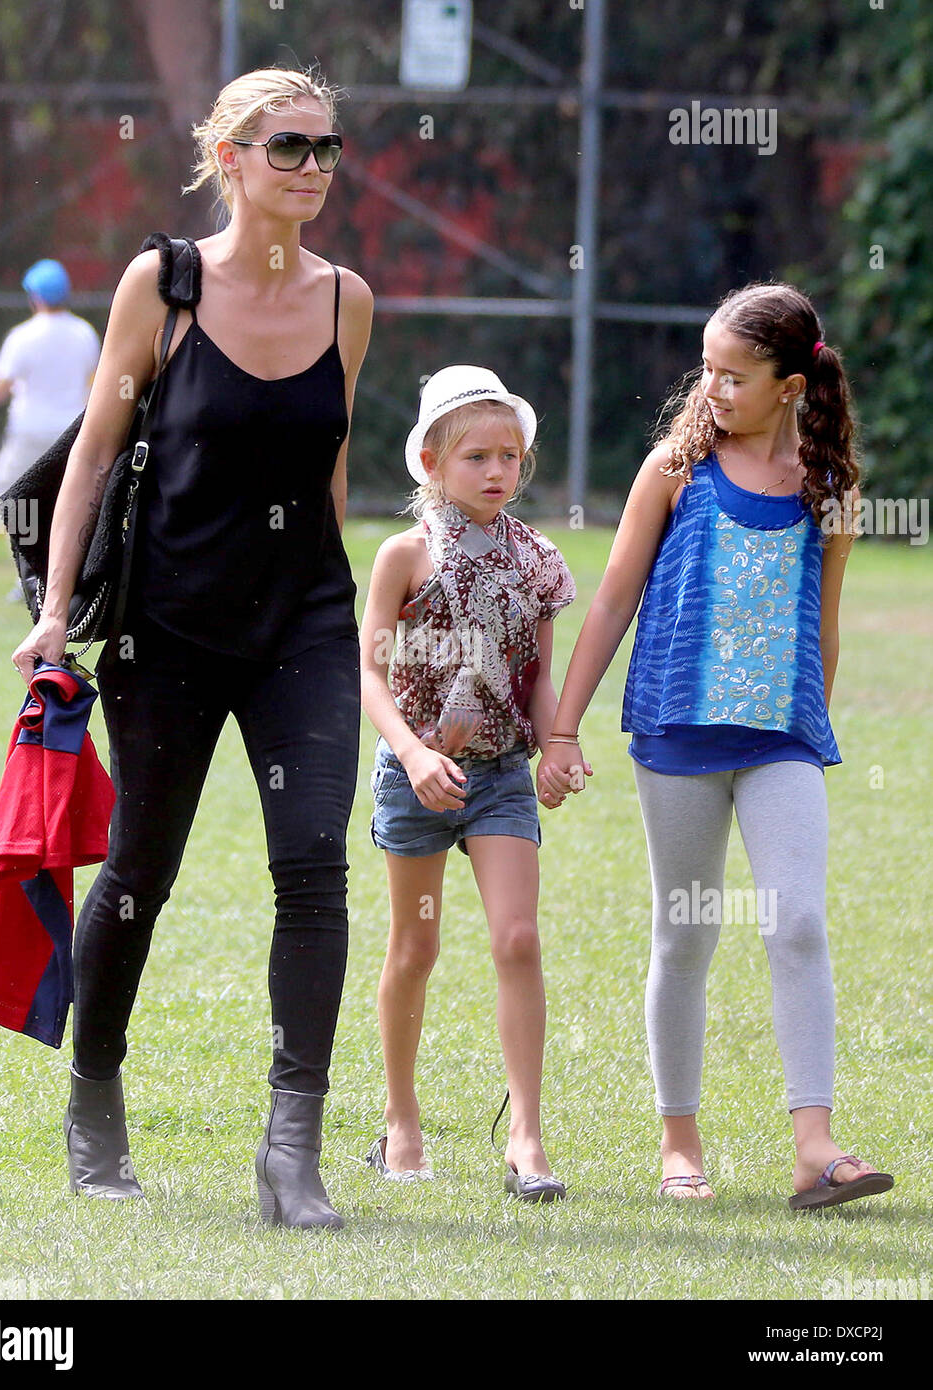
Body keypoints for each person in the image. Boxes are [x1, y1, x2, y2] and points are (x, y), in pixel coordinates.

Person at [10, 66, 374, 1230]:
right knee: (139, 874)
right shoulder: (159, 288)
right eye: (289, 148)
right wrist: (56, 605)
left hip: (304, 623)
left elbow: (328, 469)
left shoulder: (345, 300)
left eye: (326, 148)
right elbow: (93, 454)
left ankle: (291, 1154)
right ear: (231, 158)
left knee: (315, 870)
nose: (313, 167)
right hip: (169, 627)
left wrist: (356, 615)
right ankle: (94, 1097)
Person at [539, 283, 894, 1209]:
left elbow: (825, 624)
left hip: (781, 739)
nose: (711, 389)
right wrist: (563, 726)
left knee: (798, 923)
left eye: (732, 376)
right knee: (685, 932)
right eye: (705, 370)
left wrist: (811, 724)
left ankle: (813, 1148)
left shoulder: (829, 490)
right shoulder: (674, 468)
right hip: (676, 735)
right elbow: (612, 599)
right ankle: (677, 1141)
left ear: (788, 385)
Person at [359, 365, 576, 1201]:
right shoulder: (403, 556)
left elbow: (537, 681)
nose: (496, 472)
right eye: (476, 456)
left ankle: (525, 1135)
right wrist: (413, 756)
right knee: (415, 947)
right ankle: (400, 1123)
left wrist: (558, 743)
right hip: (415, 780)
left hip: (498, 780)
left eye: (510, 457)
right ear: (430, 461)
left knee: (516, 938)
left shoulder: (538, 562)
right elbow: (371, 676)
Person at [0, 259, 99, 599]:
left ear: (34, 297)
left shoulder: (22, 336)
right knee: (64, 503)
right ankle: (60, 580)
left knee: (9, 502)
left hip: (27, 434)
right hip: (69, 433)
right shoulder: (84, 332)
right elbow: (94, 384)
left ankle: (25, 578)